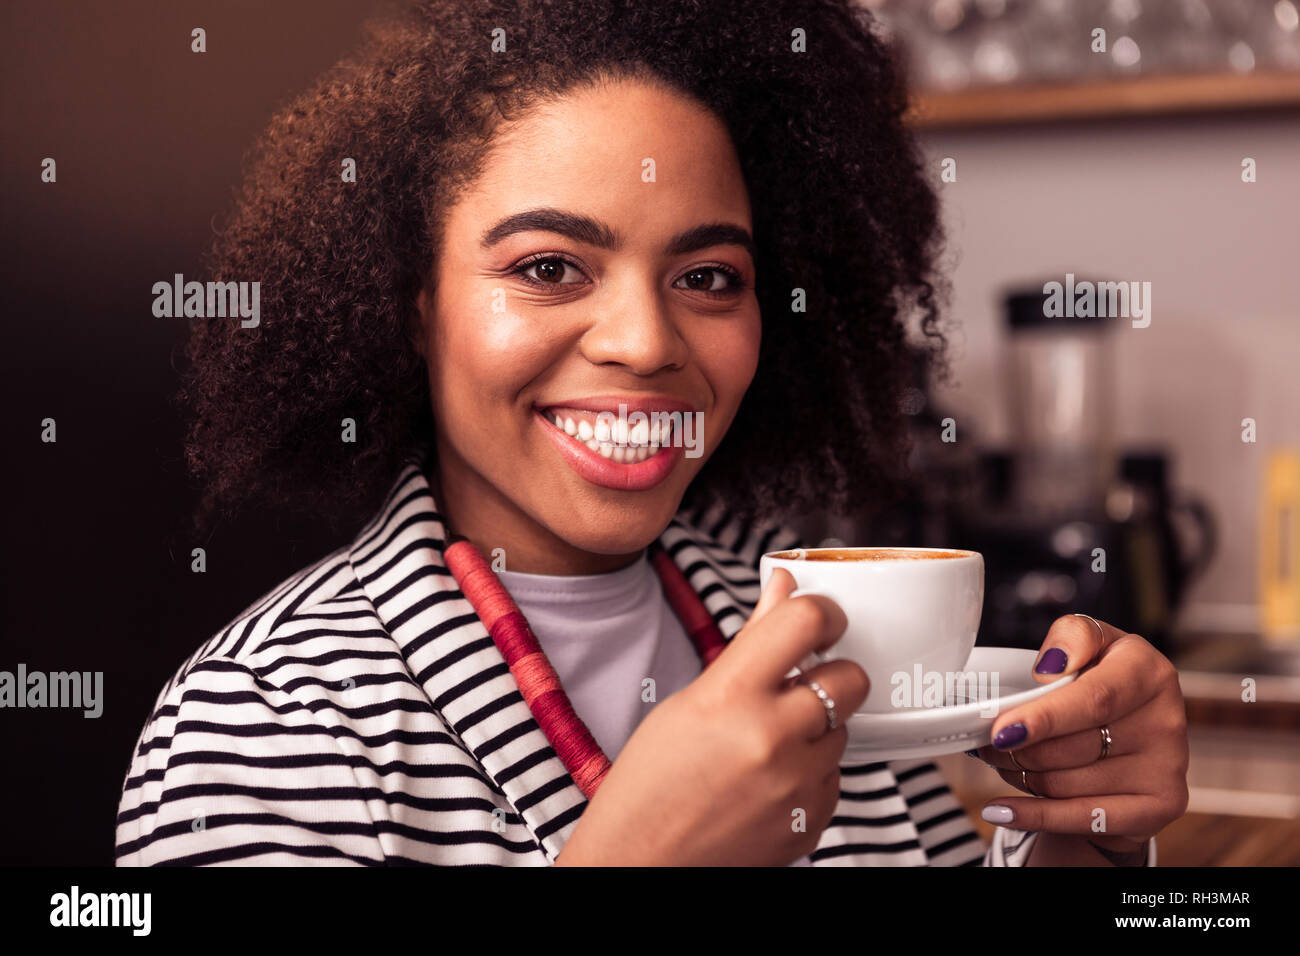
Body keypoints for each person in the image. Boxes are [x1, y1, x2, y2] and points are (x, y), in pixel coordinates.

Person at [115, 0, 1188, 866]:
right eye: (547, 267)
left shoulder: (815, 637)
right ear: (409, 304)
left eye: (708, 277)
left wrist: (1087, 838)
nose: (644, 340)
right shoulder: (261, 727)